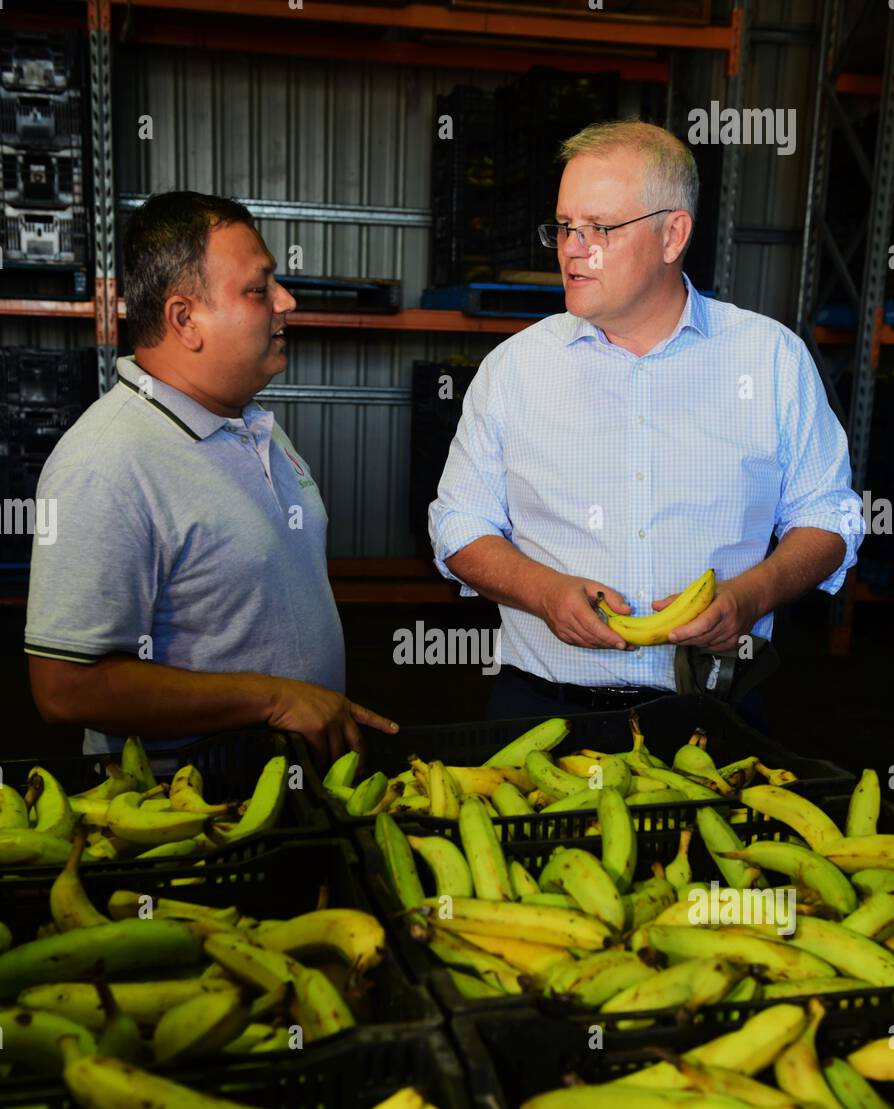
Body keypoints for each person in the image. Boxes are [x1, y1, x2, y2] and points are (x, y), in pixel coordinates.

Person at [429, 121, 863, 720]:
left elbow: (828, 516)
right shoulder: (514, 370)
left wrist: (749, 597)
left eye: (599, 228)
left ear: (672, 234)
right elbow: (457, 525)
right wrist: (545, 593)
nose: (572, 248)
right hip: (540, 711)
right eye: (564, 227)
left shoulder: (770, 359)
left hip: (715, 711)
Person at [25, 191, 397, 766]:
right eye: (259, 288)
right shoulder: (106, 464)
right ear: (185, 319)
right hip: (195, 817)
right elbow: (66, 688)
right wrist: (272, 699)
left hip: (290, 791)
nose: (286, 301)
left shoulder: (255, 425)